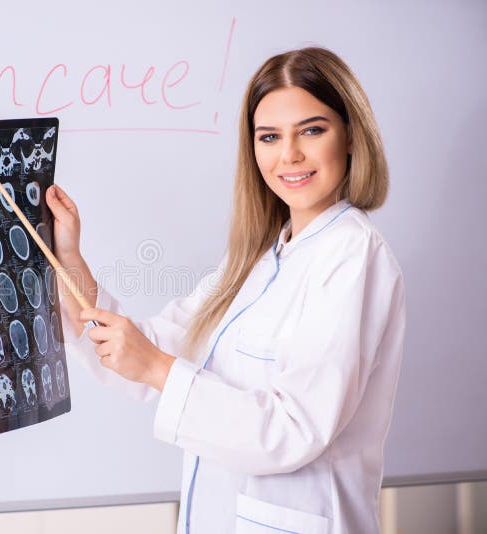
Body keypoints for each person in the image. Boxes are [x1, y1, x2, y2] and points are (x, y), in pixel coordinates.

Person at [45, 46, 406, 534]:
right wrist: (70, 258)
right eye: (270, 137)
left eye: (312, 130)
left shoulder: (353, 255)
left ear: (350, 137)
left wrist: (155, 367)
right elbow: (148, 349)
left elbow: (294, 429)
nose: (289, 155)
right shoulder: (256, 262)